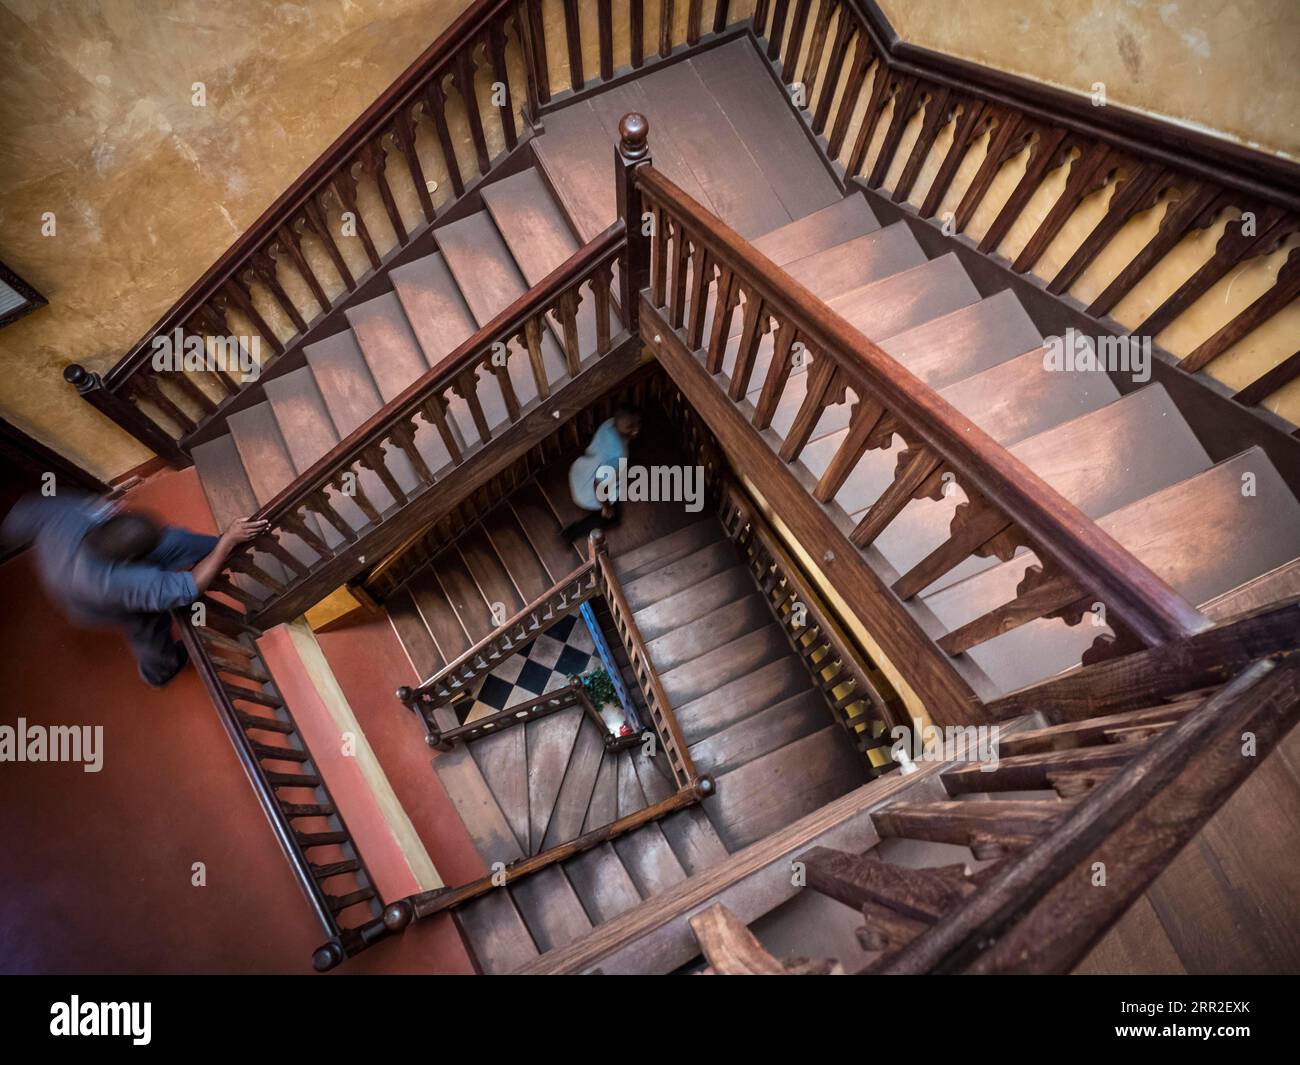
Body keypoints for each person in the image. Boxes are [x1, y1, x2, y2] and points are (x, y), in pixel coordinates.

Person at [1, 491, 268, 688]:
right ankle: (161, 672)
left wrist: (98, 509)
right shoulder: (119, 584)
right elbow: (189, 588)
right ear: (132, 561)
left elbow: (17, 520)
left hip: (78, 560)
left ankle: (219, 548)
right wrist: (227, 543)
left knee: (174, 540)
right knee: (150, 626)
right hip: (96, 604)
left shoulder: (68, 516)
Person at [562, 408, 642, 541]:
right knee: (613, 517)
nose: (636, 429)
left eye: (638, 422)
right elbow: (598, 485)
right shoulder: (617, 455)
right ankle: (571, 533)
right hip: (587, 490)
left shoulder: (608, 424)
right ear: (618, 424)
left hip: (580, 471)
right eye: (630, 427)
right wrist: (606, 507)